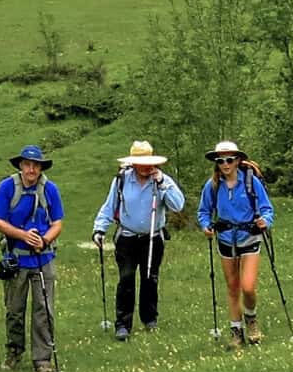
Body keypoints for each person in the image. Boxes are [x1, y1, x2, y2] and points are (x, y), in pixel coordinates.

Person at [92, 139, 186, 339]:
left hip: (153, 237)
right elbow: (110, 206)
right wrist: (99, 229)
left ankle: (149, 318)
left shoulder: (162, 180)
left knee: (150, 277)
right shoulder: (122, 180)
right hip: (126, 237)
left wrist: (162, 184)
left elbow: (178, 205)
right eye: (141, 163)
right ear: (133, 163)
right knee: (126, 278)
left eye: (148, 162)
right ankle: (123, 324)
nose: (145, 167)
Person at [0, 143, 63, 372]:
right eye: (27, 165)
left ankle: (42, 359)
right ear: (21, 165)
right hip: (16, 258)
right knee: (14, 309)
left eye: (36, 165)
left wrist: (44, 240)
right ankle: (14, 351)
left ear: (41, 168)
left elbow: (58, 223)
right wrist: (23, 235)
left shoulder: (50, 189)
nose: (31, 169)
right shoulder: (7, 187)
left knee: (44, 308)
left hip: (44, 258)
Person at [198, 140, 275, 345]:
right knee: (232, 287)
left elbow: (267, 208)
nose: (225, 164)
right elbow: (204, 211)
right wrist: (206, 226)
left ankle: (251, 319)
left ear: (238, 160)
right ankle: (235, 331)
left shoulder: (251, 182)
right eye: (221, 160)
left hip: (249, 236)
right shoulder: (212, 185)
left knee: (248, 286)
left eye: (230, 159)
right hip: (225, 239)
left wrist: (264, 221)